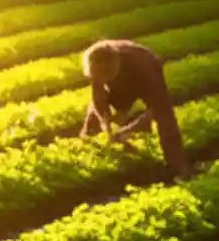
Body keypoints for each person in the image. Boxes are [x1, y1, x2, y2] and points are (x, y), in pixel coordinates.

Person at [79, 39, 190, 177]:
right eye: (100, 77)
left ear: (116, 65)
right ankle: (88, 144)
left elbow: (156, 109)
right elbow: (98, 97)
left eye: (107, 77)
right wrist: (106, 124)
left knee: (165, 119)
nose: (104, 80)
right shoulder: (96, 60)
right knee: (95, 115)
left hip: (145, 68)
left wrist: (127, 130)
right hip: (121, 73)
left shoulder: (145, 69)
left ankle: (178, 167)